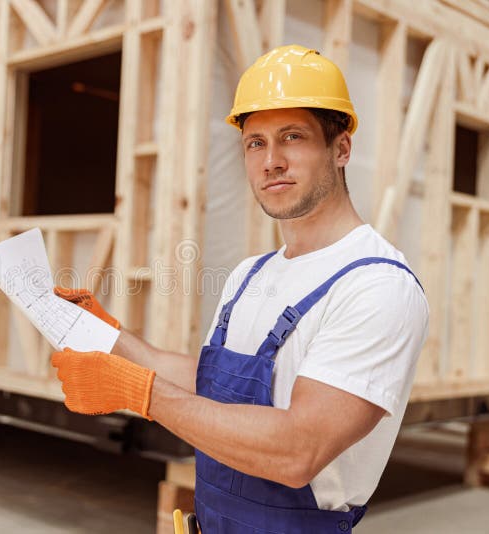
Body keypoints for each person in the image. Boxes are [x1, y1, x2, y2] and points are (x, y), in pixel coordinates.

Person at [51, 44, 429, 533]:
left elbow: (299, 449)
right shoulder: (251, 274)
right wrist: (112, 340)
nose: (271, 161)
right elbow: (211, 387)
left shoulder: (377, 285)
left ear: (341, 148)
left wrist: (139, 393)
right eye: (255, 142)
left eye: (292, 137)